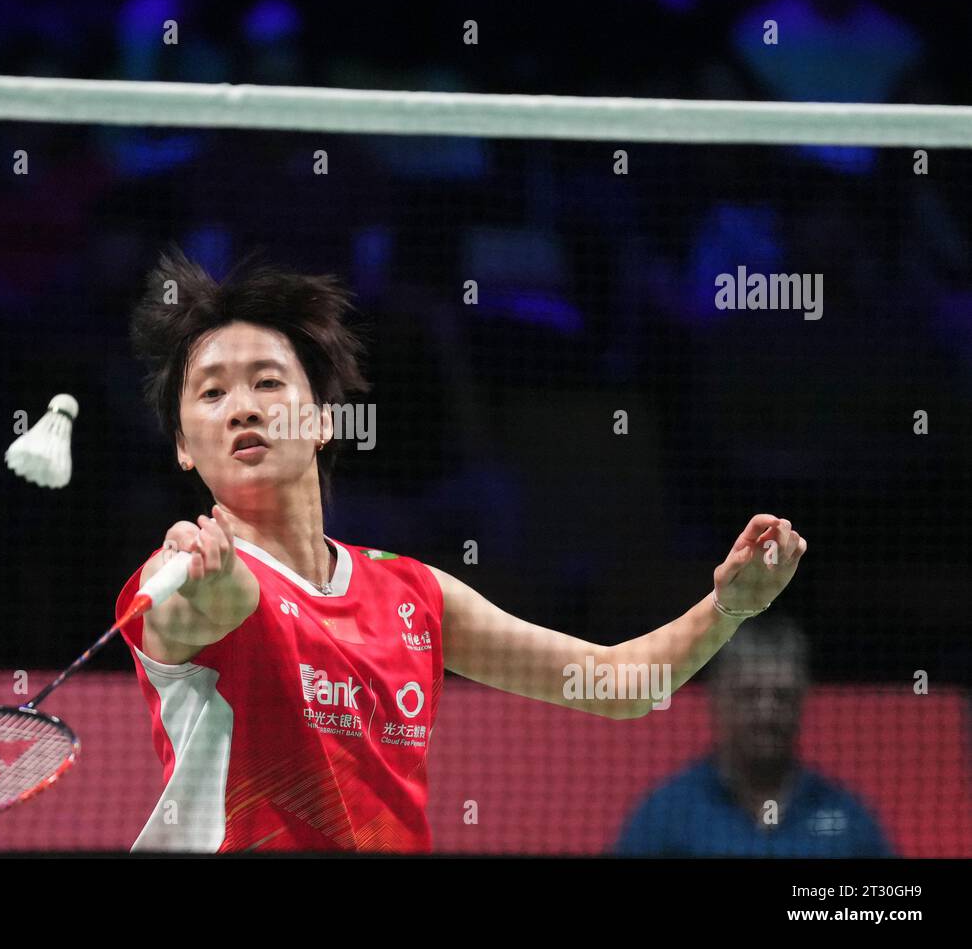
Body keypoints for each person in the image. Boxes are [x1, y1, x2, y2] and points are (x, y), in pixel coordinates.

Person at [114, 248, 808, 852]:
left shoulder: (414, 594)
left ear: (323, 418)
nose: (242, 406)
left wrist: (728, 607)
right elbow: (217, 604)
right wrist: (204, 581)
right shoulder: (178, 574)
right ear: (181, 445)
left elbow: (617, 684)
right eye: (210, 392)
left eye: (268, 381)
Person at [615, 615, 892, 856]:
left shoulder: (848, 819)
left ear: (802, 700)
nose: (765, 714)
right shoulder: (666, 816)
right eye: (749, 695)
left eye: (782, 696)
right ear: (716, 700)